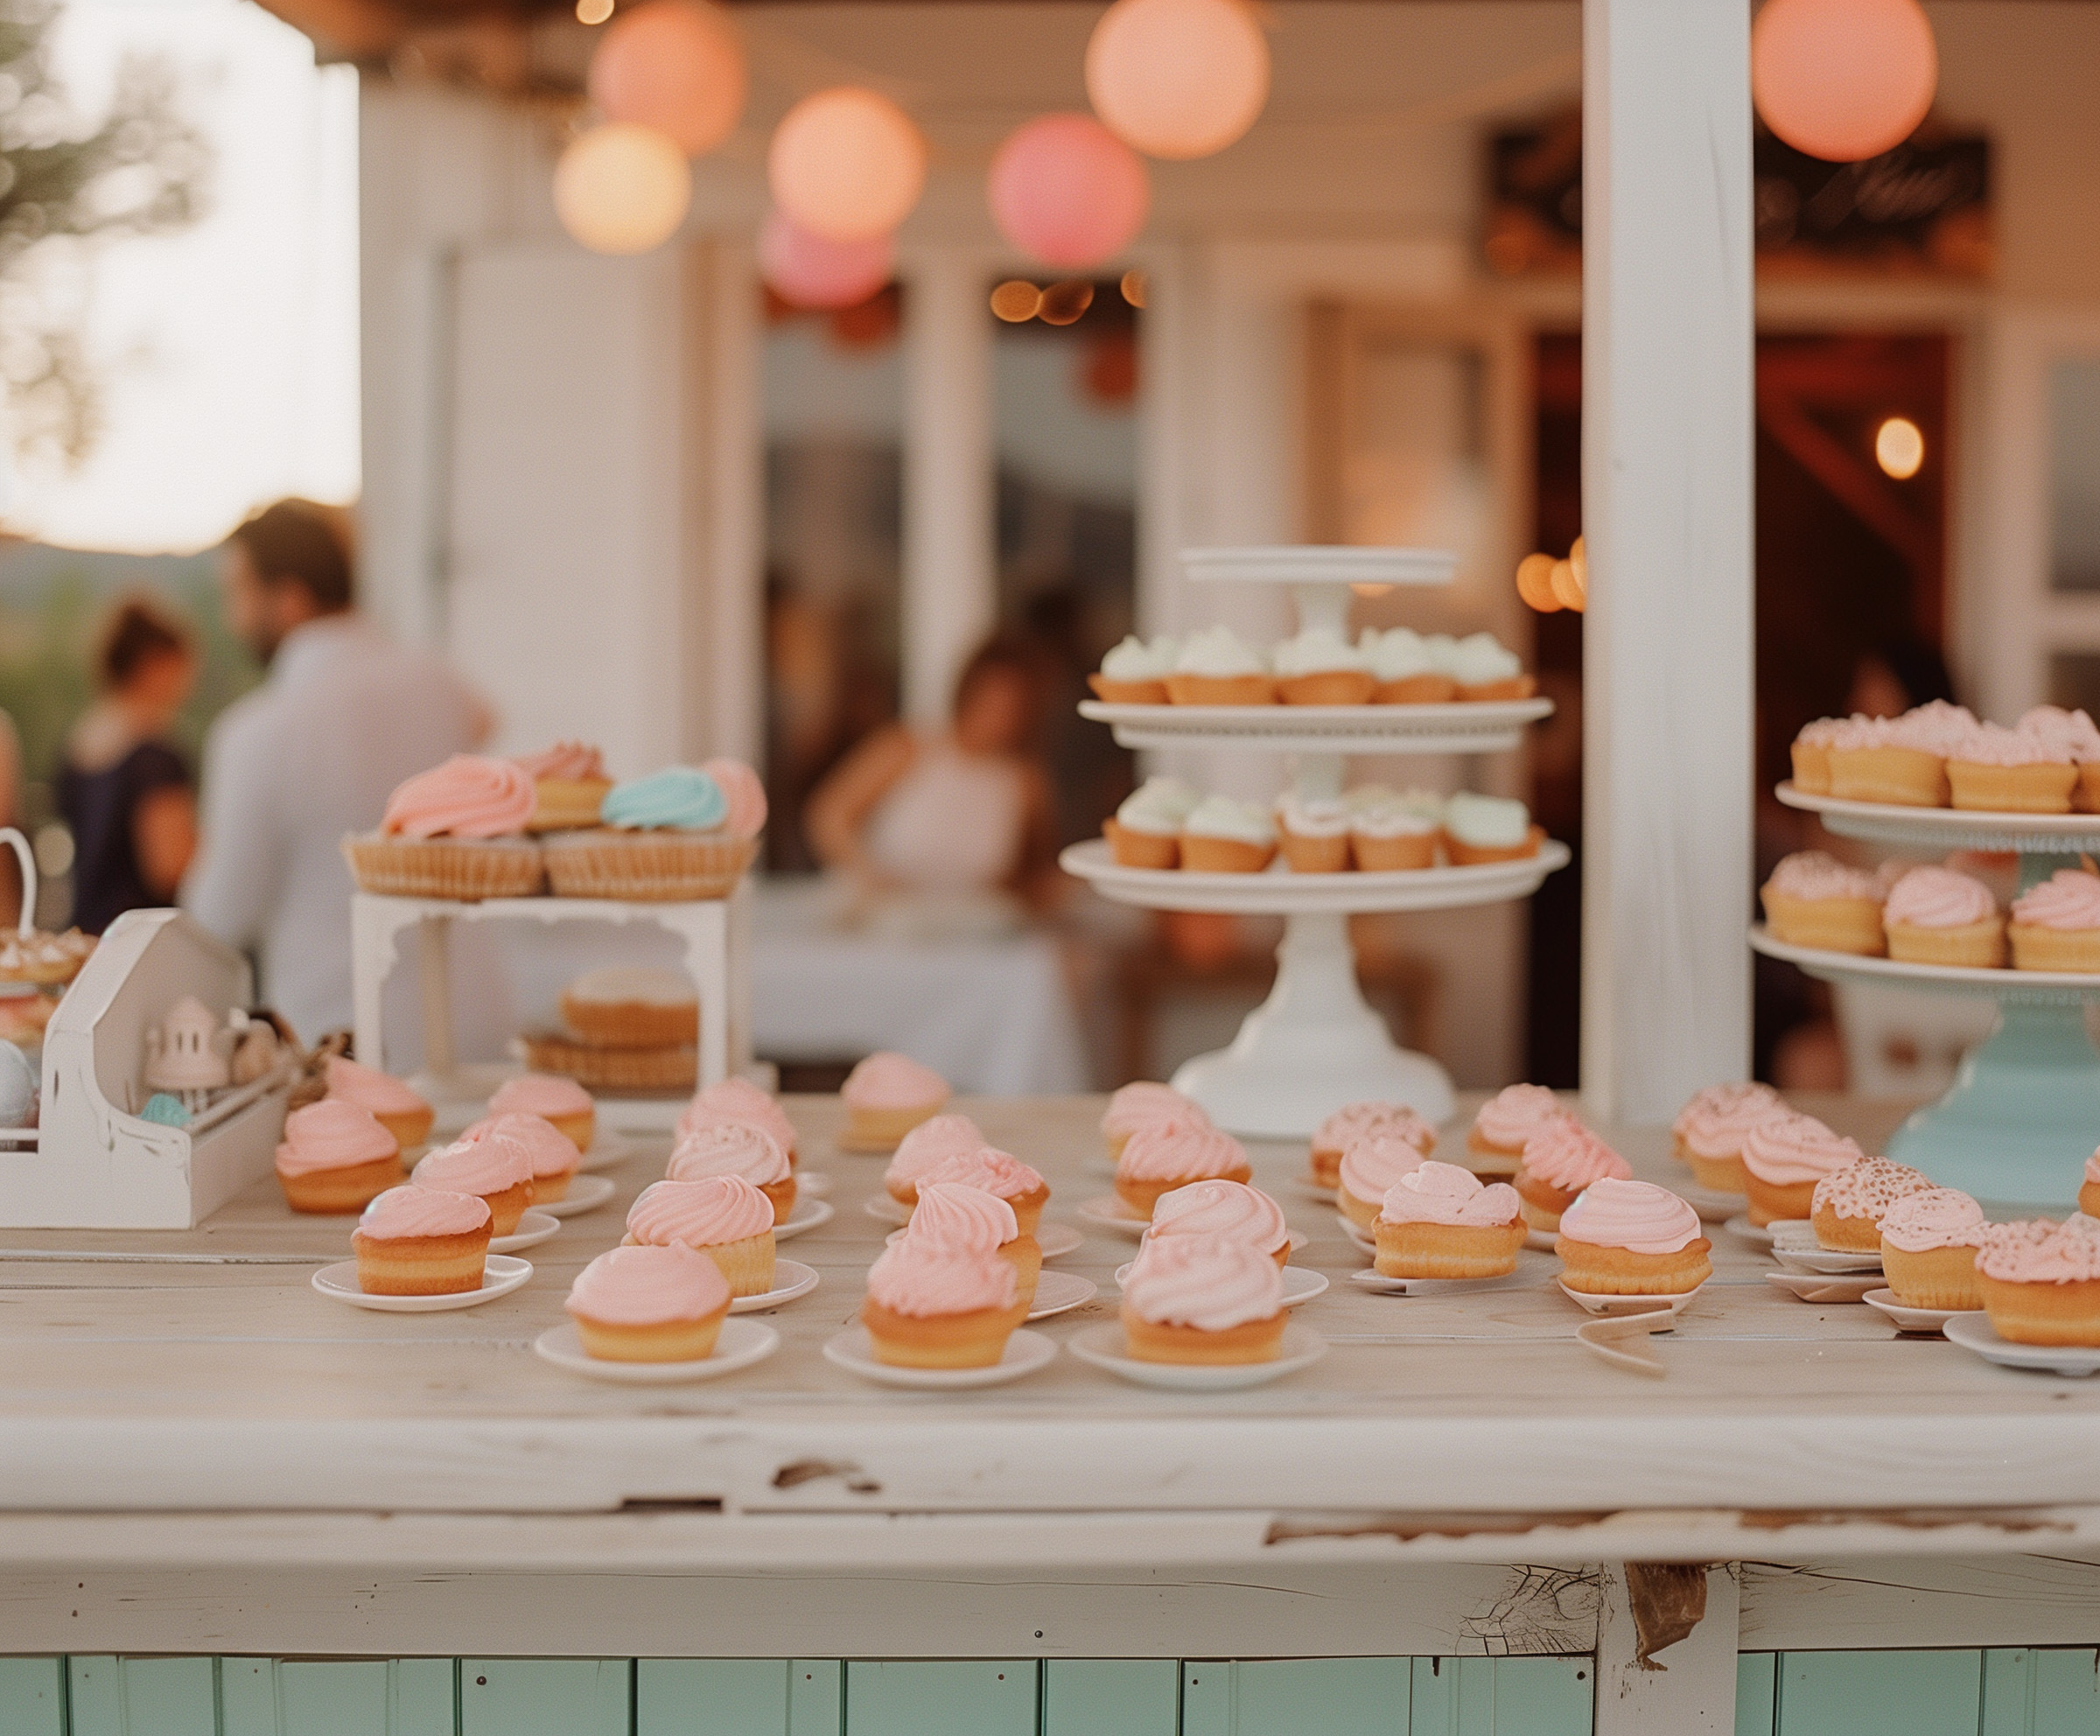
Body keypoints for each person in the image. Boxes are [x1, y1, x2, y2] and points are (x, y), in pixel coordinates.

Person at [182, 500, 489, 1043]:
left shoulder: (257, 731)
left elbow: (218, 918)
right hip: (472, 1017)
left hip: (343, 1031)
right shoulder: (440, 685)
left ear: (289, 597)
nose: (235, 618)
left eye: (240, 593)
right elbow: (485, 722)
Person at [803, 634, 1060, 910]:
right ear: (969, 692)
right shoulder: (906, 747)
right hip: (879, 915)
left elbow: (1032, 874)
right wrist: (869, 876)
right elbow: (828, 816)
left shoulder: (1025, 781)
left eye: (1014, 706)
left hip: (970, 925)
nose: (999, 715)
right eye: (993, 699)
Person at [56, 595, 199, 934]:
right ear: (154, 663)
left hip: (86, 932)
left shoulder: (77, 745)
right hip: (140, 941)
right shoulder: (153, 758)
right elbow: (170, 868)